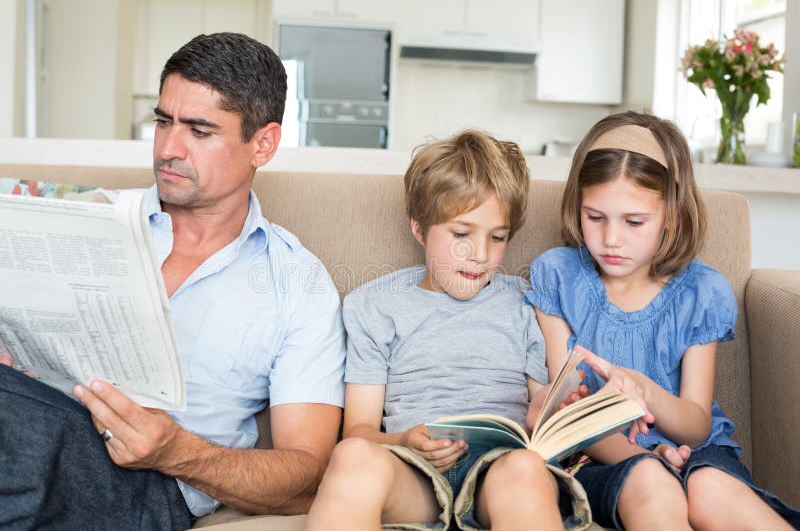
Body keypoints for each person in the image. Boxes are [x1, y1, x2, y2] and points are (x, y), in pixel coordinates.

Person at [0, 32, 346, 529]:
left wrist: (177, 451)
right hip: (29, 427)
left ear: (263, 143)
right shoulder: (86, 219)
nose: (168, 148)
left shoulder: (297, 283)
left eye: (200, 131)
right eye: (163, 122)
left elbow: (306, 476)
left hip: (145, 486)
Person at [304, 130, 593, 531]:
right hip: (415, 473)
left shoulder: (524, 302)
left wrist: (551, 409)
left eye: (498, 237)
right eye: (461, 234)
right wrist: (404, 440)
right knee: (352, 456)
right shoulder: (374, 305)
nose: (481, 255)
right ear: (420, 230)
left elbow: (538, 406)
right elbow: (359, 430)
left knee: (525, 469)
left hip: (501, 472)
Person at [526, 110, 800, 530]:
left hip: (696, 451)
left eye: (634, 222)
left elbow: (695, 426)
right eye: (594, 217)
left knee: (711, 491)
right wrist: (646, 456)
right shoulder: (559, 276)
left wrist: (646, 391)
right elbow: (567, 413)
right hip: (601, 456)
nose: (611, 239)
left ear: (672, 214)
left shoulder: (701, 292)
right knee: (651, 484)